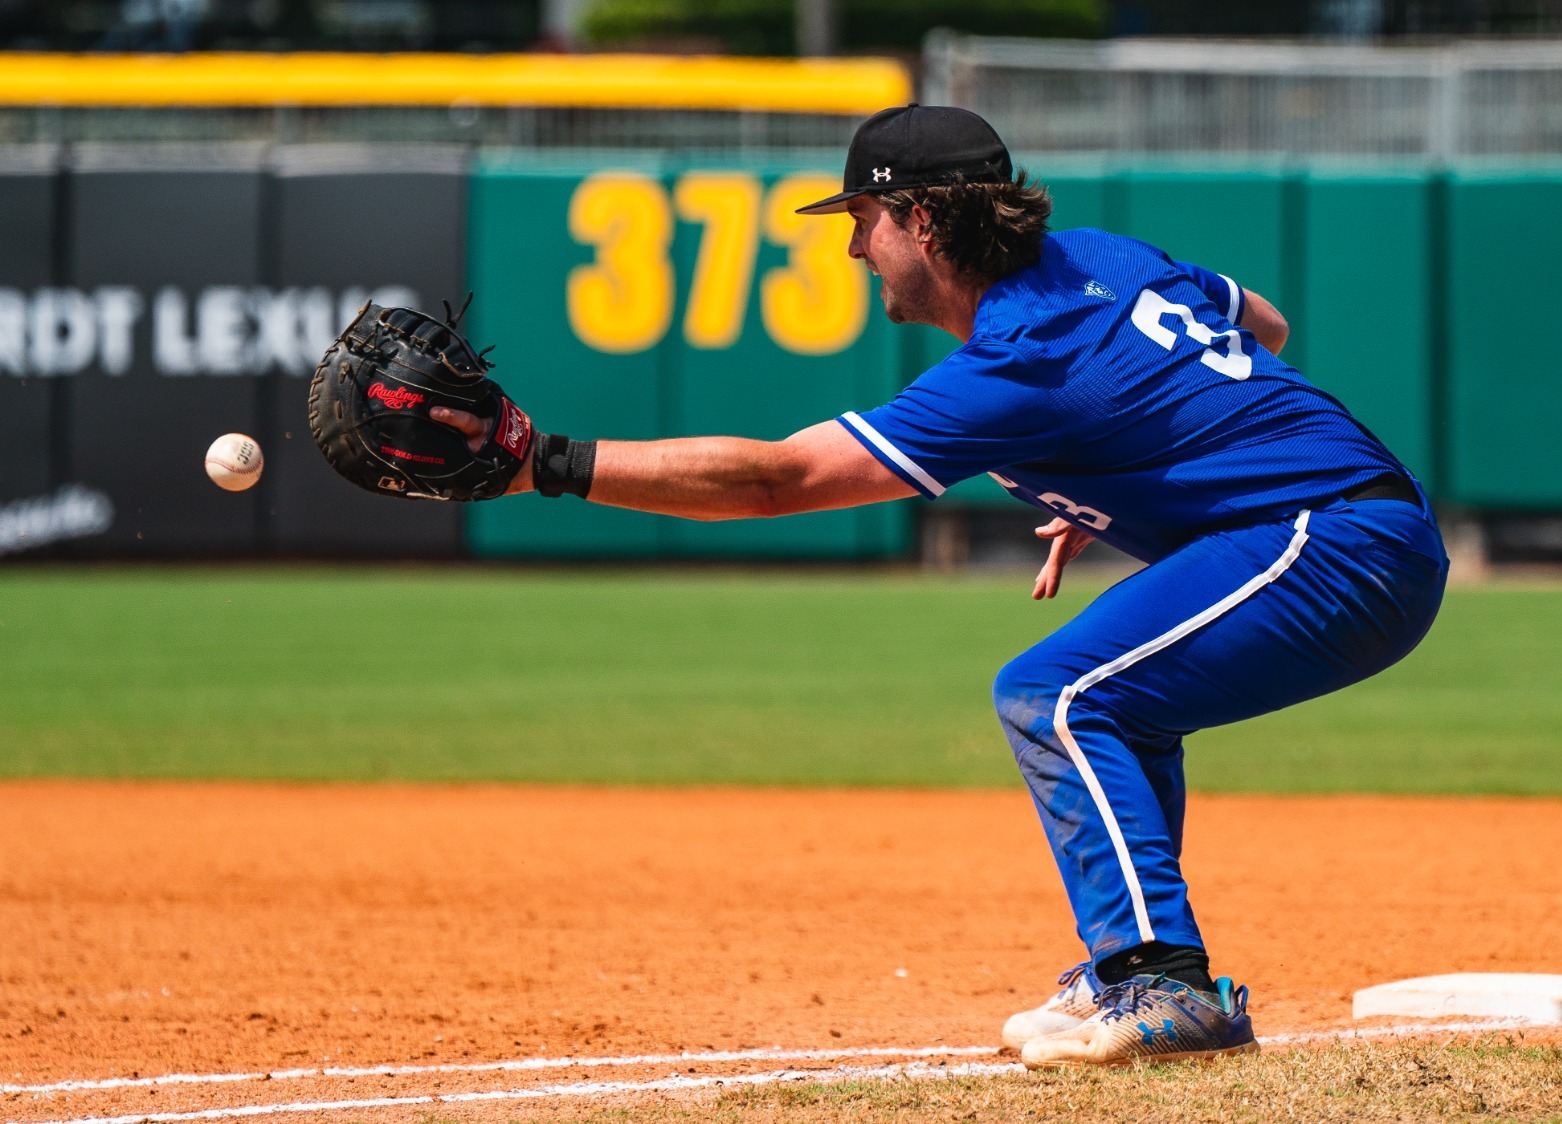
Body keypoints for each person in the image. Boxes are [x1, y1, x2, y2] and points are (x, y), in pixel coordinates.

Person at [434, 105, 1449, 1068]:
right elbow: (1258, 324)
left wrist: (543, 462)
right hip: (1339, 527)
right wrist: (1132, 458)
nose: (850, 247)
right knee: (1113, 706)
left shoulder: (1014, 359)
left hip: (1336, 540)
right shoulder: (1099, 255)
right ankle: (1126, 967)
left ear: (921, 220)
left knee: (1054, 694)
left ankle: (1161, 983)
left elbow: (772, 479)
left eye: (862, 221)